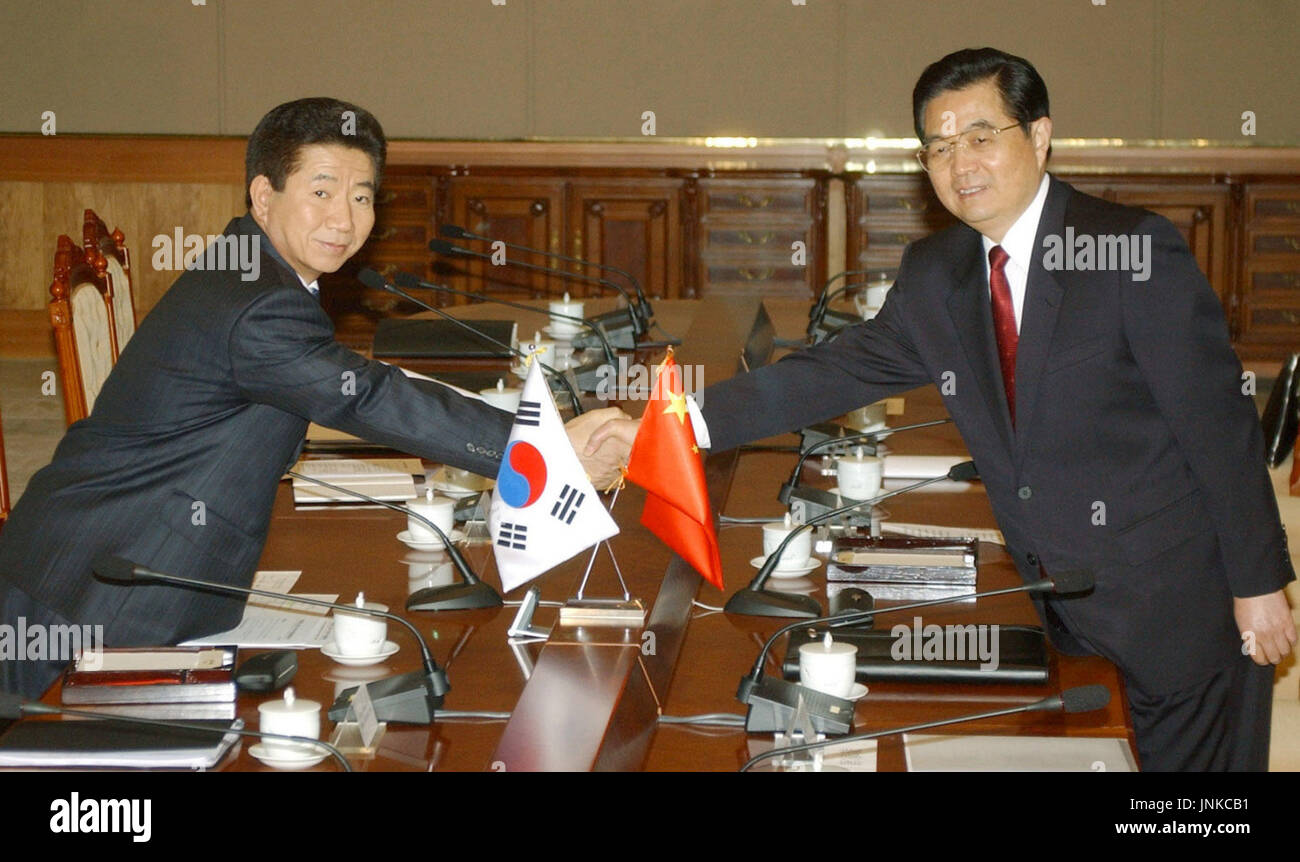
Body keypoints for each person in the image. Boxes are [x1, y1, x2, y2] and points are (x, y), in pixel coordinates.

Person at [589, 48, 1296, 771]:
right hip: (1062, 607)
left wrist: (1260, 585)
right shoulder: (940, 275)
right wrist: (672, 421)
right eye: (940, 147)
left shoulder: (1127, 250)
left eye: (983, 138)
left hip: (1176, 603)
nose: (962, 165)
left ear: (1041, 135)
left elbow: (1220, 428)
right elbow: (829, 373)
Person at [0, 97, 624, 699]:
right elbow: (369, 399)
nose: (344, 220)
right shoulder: (258, 302)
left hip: (101, 559)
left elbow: (352, 385)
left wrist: (532, 430)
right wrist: (540, 445)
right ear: (264, 195)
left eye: (361, 197)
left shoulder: (253, 269)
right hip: (93, 588)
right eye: (321, 192)